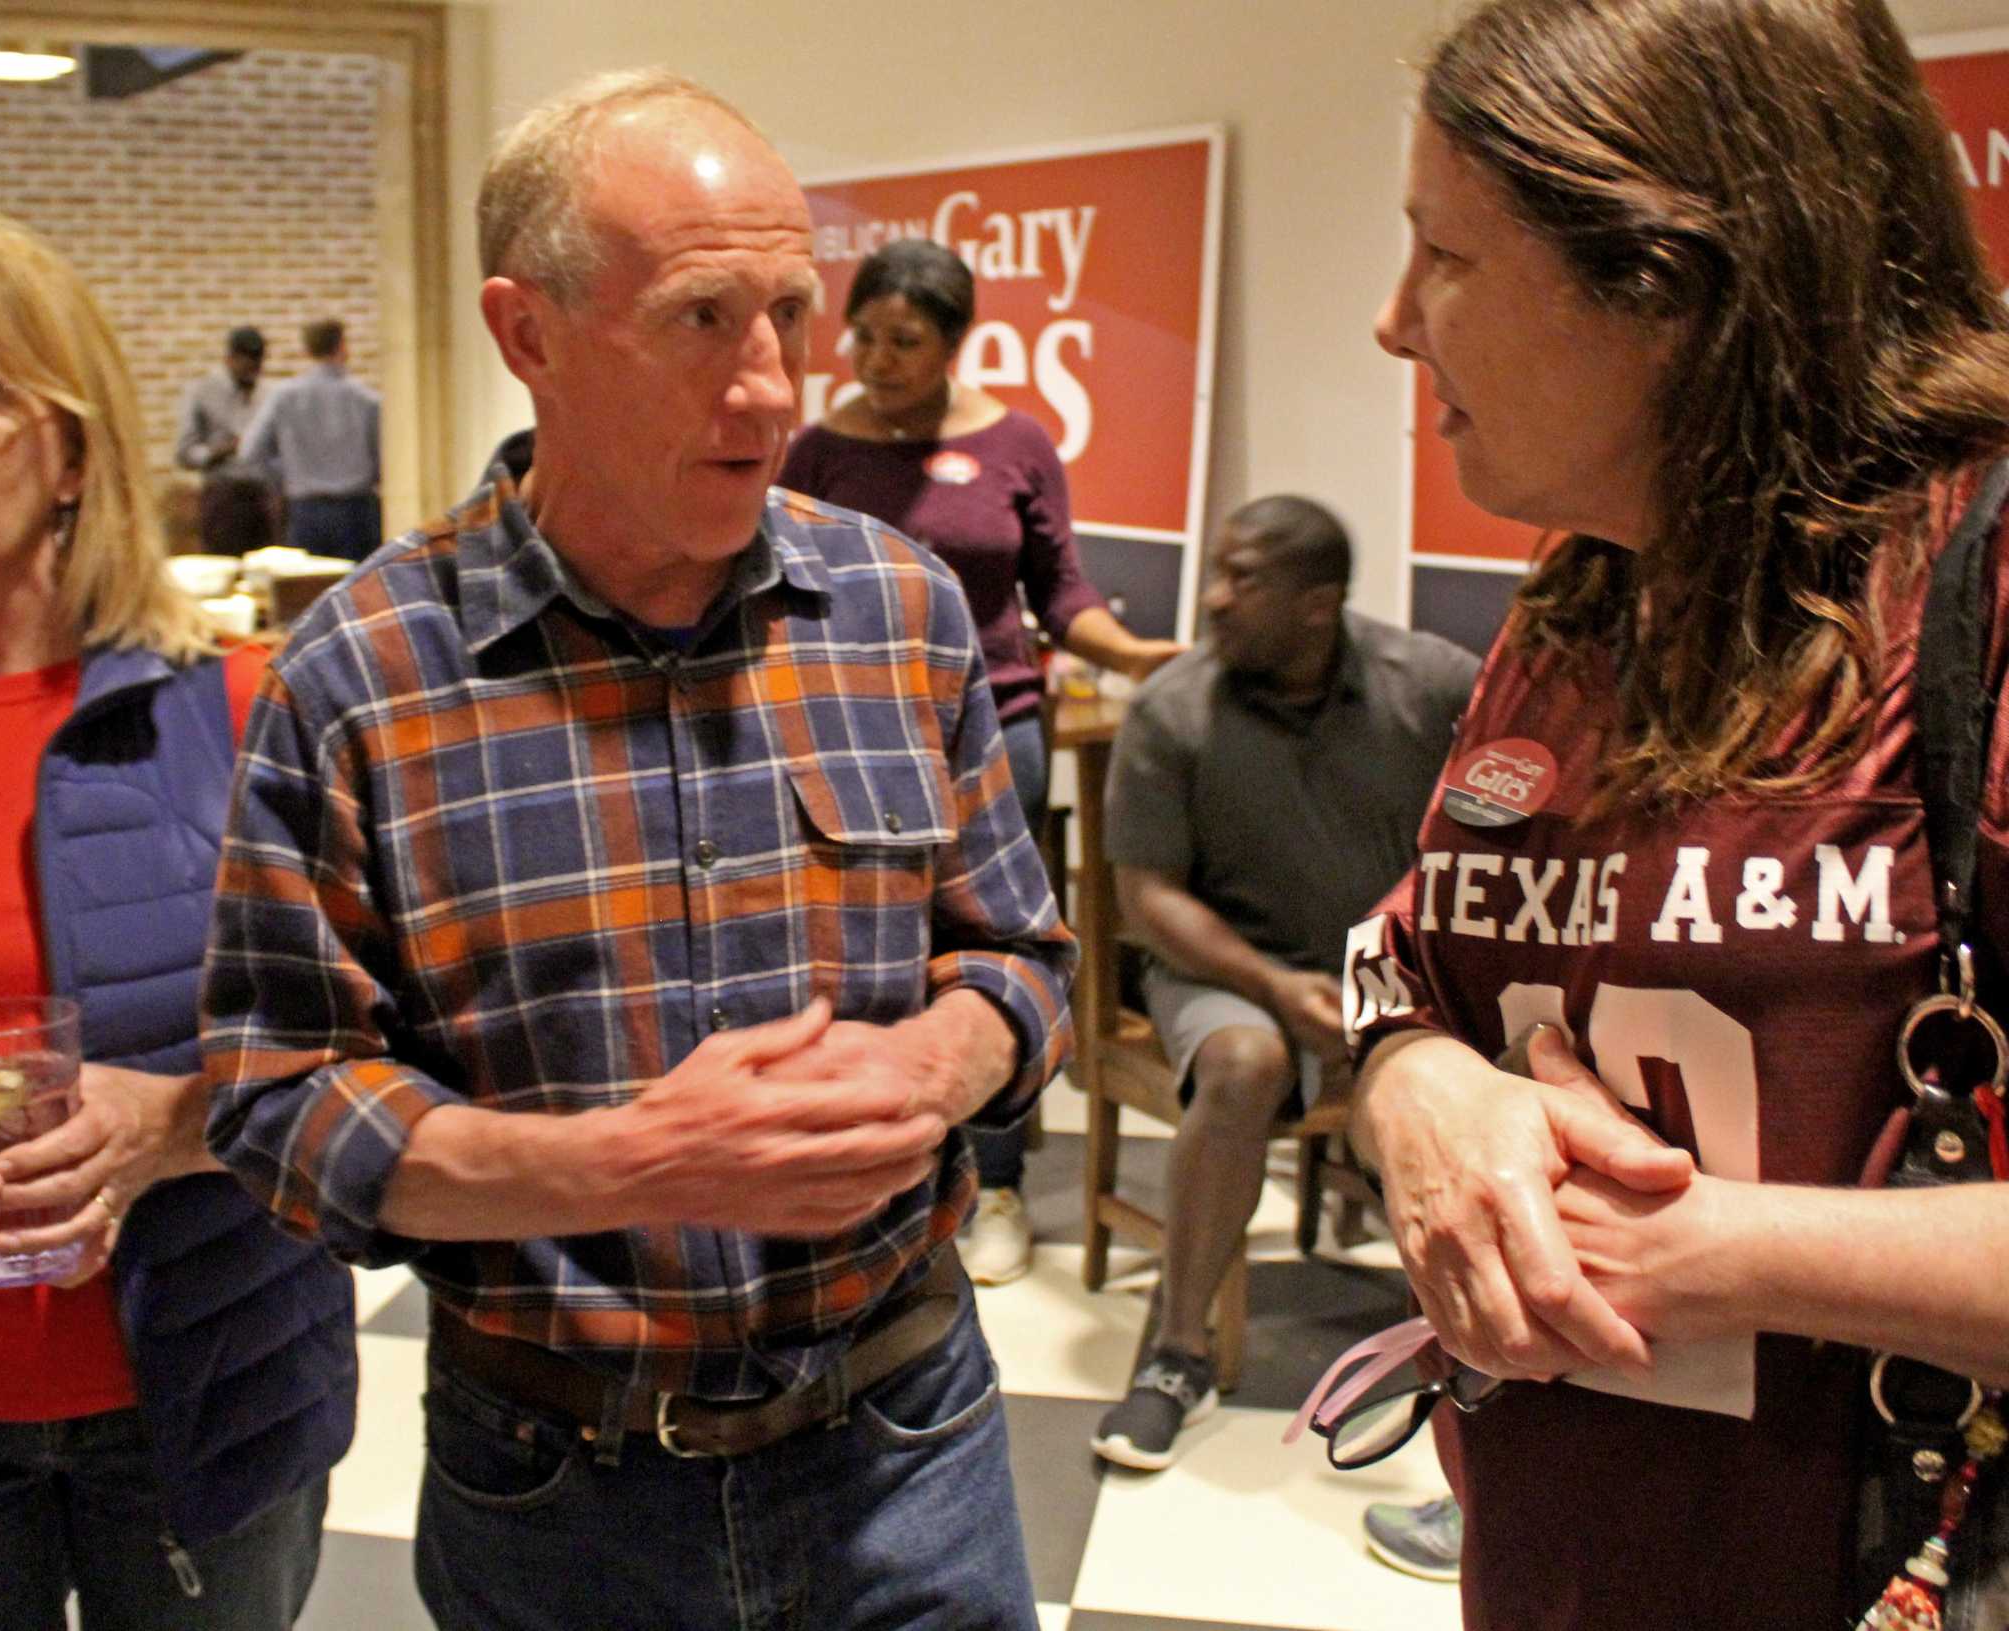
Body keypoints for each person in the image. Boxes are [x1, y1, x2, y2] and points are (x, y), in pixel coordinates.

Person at [202, 71, 1075, 1631]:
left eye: (789, 316)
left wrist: (940, 1064)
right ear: (525, 331)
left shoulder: (899, 610)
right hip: (558, 1493)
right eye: (698, 320)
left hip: (905, 1437)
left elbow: (1019, 959)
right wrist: (617, 1162)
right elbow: (279, 1103)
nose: (768, 390)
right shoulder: (365, 671)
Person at [1347, 1, 2009, 1626]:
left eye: (1445, 256)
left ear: (1665, 289)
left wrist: (1715, 1255)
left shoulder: (1972, 590)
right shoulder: (1578, 592)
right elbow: (1404, 956)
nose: (1391, 323)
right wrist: (1413, 1083)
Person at [0, 214, 355, 1628]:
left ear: (74, 452)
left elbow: (384, 1043)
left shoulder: (241, 711)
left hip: (200, 1400)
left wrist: (171, 1121)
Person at [780, 238, 1183, 1285]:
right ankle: (872, 1159)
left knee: (996, 948)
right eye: (862, 335)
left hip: (995, 727)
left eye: (904, 340)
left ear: (955, 343)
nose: (876, 357)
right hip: (845, 732)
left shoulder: (1015, 442)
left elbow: (1061, 596)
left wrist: (1134, 657)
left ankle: (995, 1182)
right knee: (859, 947)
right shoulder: (815, 451)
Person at [1087, 496, 1477, 1470]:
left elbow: (1499, 818)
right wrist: (1273, 981)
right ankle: (1174, 1353)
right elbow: (1146, 898)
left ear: (1317, 604)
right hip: (1224, 969)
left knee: (1512, 1053)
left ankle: (1483, 1353)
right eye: (1216, 569)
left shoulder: (1424, 684)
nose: (1212, 597)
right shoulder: (1171, 706)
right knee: (1243, 1060)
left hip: (1381, 970)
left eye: (1242, 578)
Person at [238, 317, 381, 562]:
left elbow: (249, 451)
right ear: (343, 347)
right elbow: (383, 457)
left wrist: (283, 475)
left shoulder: (284, 397)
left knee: (307, 589)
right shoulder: (366, 400)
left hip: (305, 510)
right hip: (356, 510)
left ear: (306, 350)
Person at [174, 325, 275, 555]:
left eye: (258, 366)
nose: (253, 373)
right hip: (223, 497)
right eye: (247, 366)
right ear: (230, 359)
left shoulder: (268, 393)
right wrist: (221, 450)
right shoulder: (202, 392)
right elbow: (184, 453)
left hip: (261, 496)